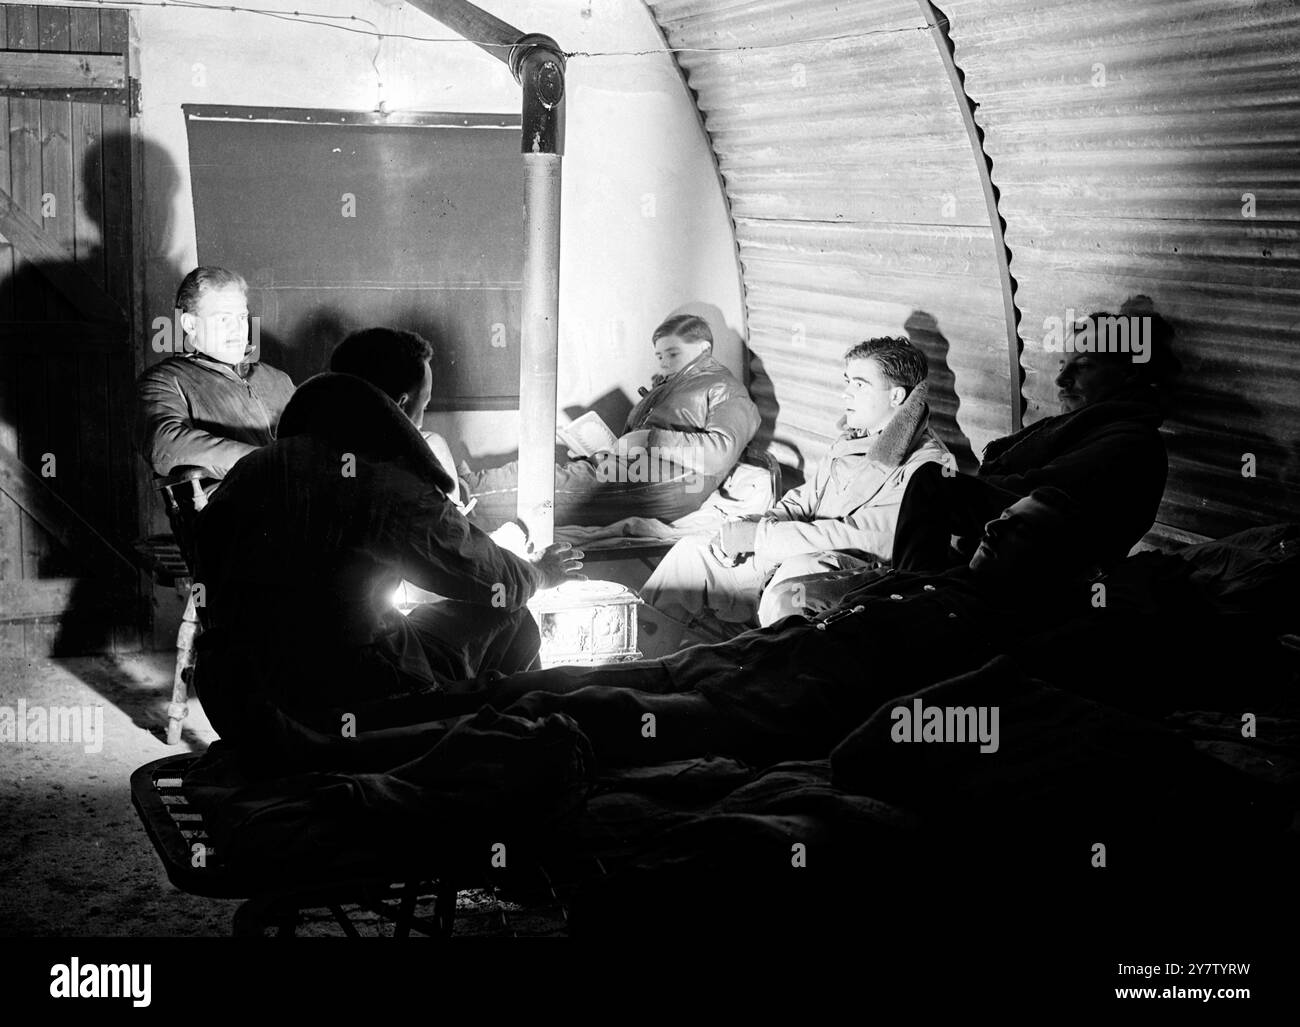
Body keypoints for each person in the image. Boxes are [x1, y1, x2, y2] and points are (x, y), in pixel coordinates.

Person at [461, 488, 1098, 768]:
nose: (993, 526)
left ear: (1050, 564)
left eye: (1018, 527)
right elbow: (935, 501)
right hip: (747, 658)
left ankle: (372, 767)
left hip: (765, 705)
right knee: (558, 682)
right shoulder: (941, 578)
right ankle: (416, 715)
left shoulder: (994, 635)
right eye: (1001, 516)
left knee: (585, 709)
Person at [191, 327, 583, 758]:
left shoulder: (259, 464)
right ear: (399, 405)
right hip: (340, 699)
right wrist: (542, 573)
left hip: (240, 697)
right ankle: (489, 756)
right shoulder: (383, 478)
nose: (421, 421)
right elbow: (490, 576)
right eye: (424, 405)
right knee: (512, 615)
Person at [768, 301, 1181, 617]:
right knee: (791, 595)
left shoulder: (1130, 445)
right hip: (967, 568)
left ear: (1130, 373)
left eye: (1084, 366)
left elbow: (1031, 500)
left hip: (1018, 593)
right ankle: (908, 595)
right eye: (1062, 364)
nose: (1060, 380)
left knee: (928, 484)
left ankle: (910, 600)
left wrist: (941, 494)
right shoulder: (1076, 431)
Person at [639, 337, 949, 636]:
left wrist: (761, 538)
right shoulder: (854, 439)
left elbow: (865, 537)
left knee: (792, 586)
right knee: (692, 554)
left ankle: (762, 675)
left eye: (859, 384)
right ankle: (643, 664)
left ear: (896, 396)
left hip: (862, 573)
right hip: (800, 550)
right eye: (846, 381)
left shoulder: (926, 465)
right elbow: (803, 500)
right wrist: (753, 524)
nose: (845, 394)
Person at [464, 314, 760, 531]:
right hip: (648, 471)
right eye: (659, 356)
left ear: (704, 348)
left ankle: (467, 495)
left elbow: (721, 451)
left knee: (561, 485)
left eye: (673, 353)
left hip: (677, 482)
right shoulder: (676, 384)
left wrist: (649, 440)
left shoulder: (725, 388)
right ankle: (468, 486)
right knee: (553, 461)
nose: (665, 363)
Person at [135, 266, 295, 481]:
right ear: (190, 324)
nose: (237, 329)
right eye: (223, 319)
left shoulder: (277, 379)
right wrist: (266, 462)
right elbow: (163, 443)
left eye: (241, 317)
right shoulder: (165, 380)